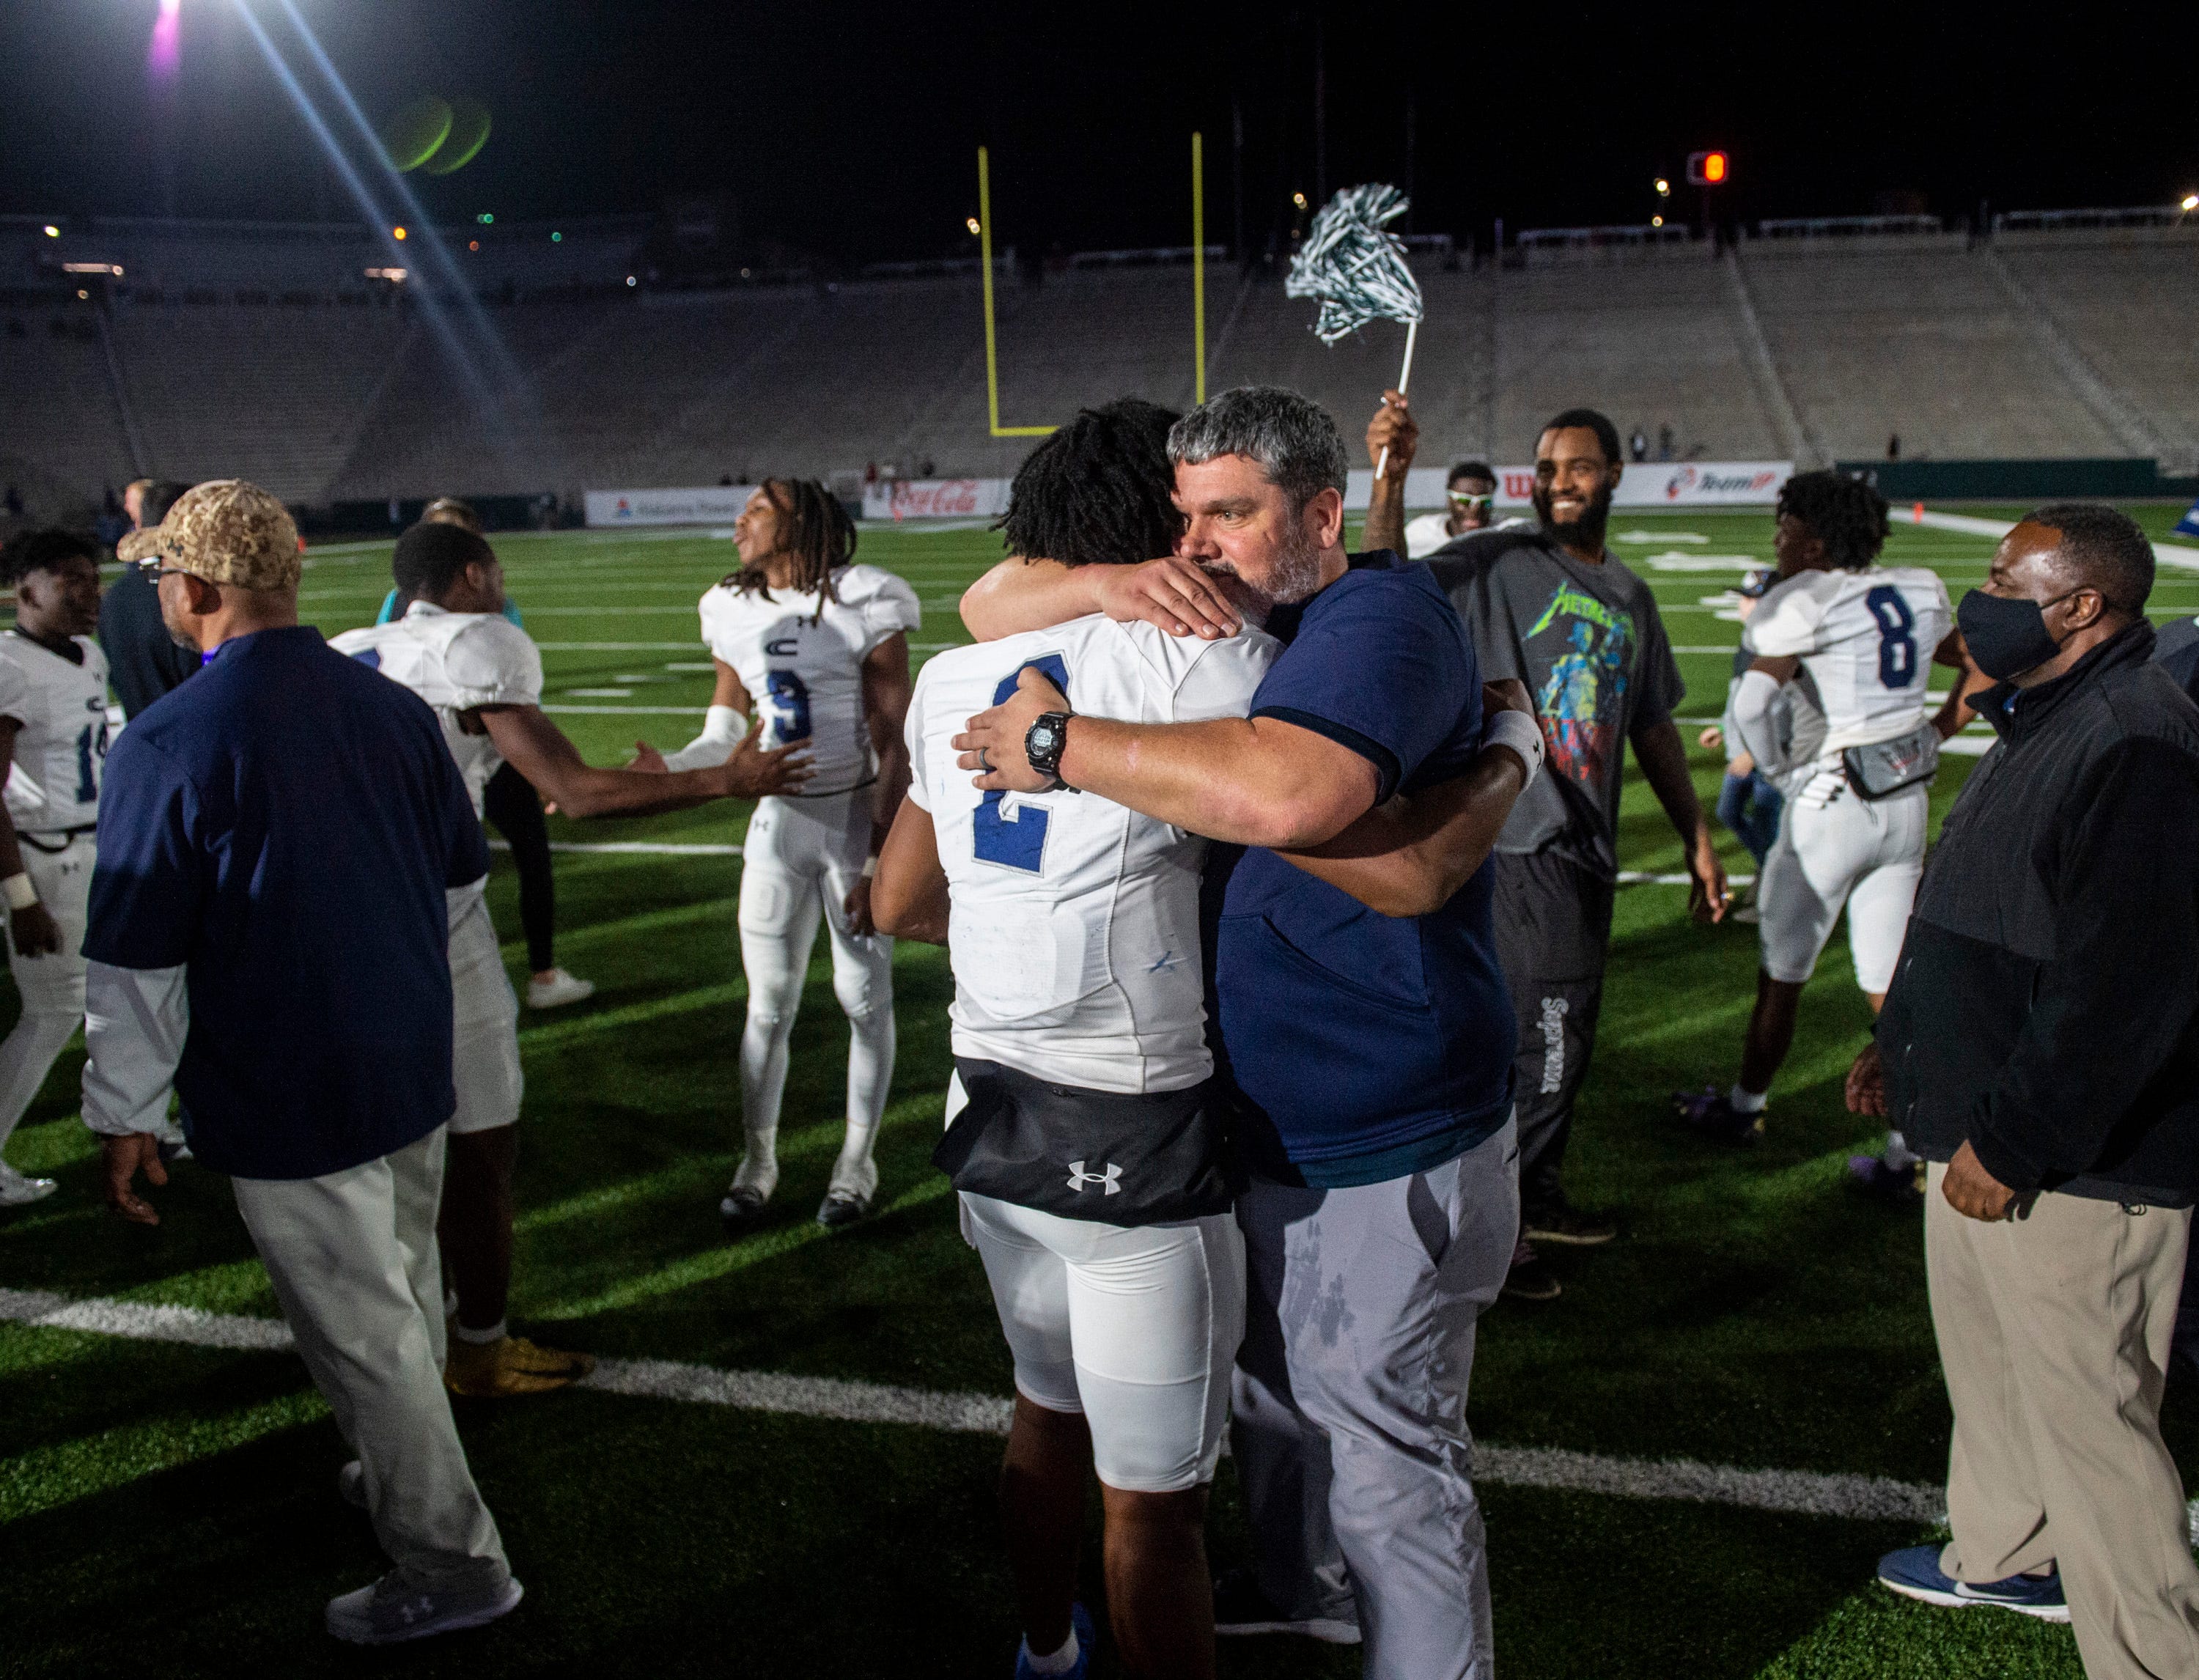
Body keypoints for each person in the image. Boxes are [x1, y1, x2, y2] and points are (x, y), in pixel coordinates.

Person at [957, 386, 1543, 1679]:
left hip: (1382, 1116)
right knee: (1278, 1405)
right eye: (1186, 519)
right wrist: (1111, 579)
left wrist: (1056, 738)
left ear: (1322, 514)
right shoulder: (1229, 615)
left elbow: (1323, 819)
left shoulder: (1376, 617)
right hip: (1261, 1111)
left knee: (1389, 1455)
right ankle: (1303, 1591)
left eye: (1232, 513)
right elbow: (987, 602)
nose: (1202, 544)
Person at [877, 398, 1280, 1680]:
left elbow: (896, 901)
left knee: (1045, 1410)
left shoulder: (953, 672)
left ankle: (1045, 1650)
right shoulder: (1194, 654)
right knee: (1156, 1507)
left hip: (992, 1106)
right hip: (1131, 1127)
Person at [86, 480, 520, 1643]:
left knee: (362, 1331)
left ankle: (452, 1562)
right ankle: (405, 1470)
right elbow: (458, 890)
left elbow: (135, 959)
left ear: (197, 589)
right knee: (403, 1285)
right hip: (405, 1052)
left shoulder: (169, 737)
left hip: (286, 1073)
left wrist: (122, 1108)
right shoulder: (392, 707)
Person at [333, 520, 809, 1396]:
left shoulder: (351, 645)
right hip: (435, 923)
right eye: (497, 571)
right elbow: (577, 794)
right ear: (473, 575)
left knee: (393, 1158)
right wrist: (723, 781)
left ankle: (417, 1340)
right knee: (480, 1140)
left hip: (346, 926)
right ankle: (476, 1345)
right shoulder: (480, 641)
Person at [1849, 504, 2199, 1679]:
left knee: (2095, 1424)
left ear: (2081, 607)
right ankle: (2006, 1551)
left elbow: (2126, 990)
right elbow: (1987, 906)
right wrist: (1905, 1049)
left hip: (2077, 1168)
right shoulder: (2049, 714)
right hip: (1982, 1125)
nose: (1981, 595)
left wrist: (2017, 1139)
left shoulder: (2140, 740)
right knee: (1995, 1375)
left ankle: (2155, 1660)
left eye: (2006, 577)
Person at [1366, 398, 1728, 1303]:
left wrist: (1696, 839)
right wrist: (1389, 475)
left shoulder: (1632, 597)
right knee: (1549, 1041)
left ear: (1612, 474)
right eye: (1548, 467)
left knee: (1551, 1033)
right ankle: (1506, 1235)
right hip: (1525, 843)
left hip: (1585, 853)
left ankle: (1532, 1197)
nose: (1560, 482)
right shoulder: (1499, 561)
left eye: (1578, 466)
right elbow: (1382, 576)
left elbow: (1652, 728)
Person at [1669, 472, 1961, 1194]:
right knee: (1888, 983)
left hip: (1830, 804)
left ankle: (1745, 1109)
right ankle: (1907, 1149)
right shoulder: (1917, 586)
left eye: (1787, 527)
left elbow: (1753, 700)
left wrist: (1776, 771)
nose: (1779, 540)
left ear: (1817, 539)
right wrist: (1939, 729)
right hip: (1904, 804)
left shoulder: (1801, 600)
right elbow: (1981, 664)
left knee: (1783, 973)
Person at [640, 479, 916, 1230]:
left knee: (863, 1002)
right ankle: (758, 1161)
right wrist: (668, 765)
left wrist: (877, 860)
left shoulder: (866, 599)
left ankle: (856, 1162)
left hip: (853, 823)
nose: (740, 520)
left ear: (800, 523)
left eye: (758, 509)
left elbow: (896, 742)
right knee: (768, 1008)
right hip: (779, 824)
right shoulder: (729, 607)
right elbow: (724, 734)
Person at [375, 498, 594, 1012]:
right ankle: (536, 973)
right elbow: (507, 696)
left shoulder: (390, 614)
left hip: (444, 760)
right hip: (474, 747)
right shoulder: (488, 619)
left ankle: (539, 969)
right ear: (472, 571)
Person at [0, 530, 119, 1204]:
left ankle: (133, 1119)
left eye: (91, 578)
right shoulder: (7, 663)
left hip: (99, 849)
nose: (87, 592)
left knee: (126, 992)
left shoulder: (89, 655)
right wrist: (20, 898)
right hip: (46, 858)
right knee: (53, 1012)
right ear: (26, 591)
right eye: (68, 580)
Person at [1700, 568, 1793, 887]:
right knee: (1730, 813)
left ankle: (1773, 880)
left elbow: (1780, 708)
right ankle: (1769, 873)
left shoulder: (1779, 643)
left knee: (1766, 823)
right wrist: (1725, 729)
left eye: (1752, 598)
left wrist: (1751, 754)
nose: (1743, 604)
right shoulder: (1752, 640)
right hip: (1747, 750)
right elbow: (1741, 695)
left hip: (1767, 757)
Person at [98, 479, 199, 720]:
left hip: (139, 741)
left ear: (140, 523)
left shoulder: (114, 598)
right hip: (193, 741)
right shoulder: (190, 591)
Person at [1403, 458, 1500, 559]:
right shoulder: (1419, 533)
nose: (1475, 509)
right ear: (1449, 500)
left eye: (1485, 501)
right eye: (1465, 500)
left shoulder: (1505, 533)